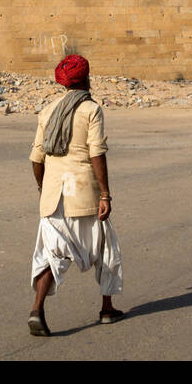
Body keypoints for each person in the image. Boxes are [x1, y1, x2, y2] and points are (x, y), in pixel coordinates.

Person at [27, 53, 123, 336]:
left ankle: (37, 310)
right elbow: (96, 153)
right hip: (84, 196)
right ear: (86, 78)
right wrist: (105, 194)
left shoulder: (47, 111)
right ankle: (107, 308)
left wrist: (43, 188)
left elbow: (36, 158)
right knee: (107, 249)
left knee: (51, 255)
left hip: (53, 198)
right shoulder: (91, 109)